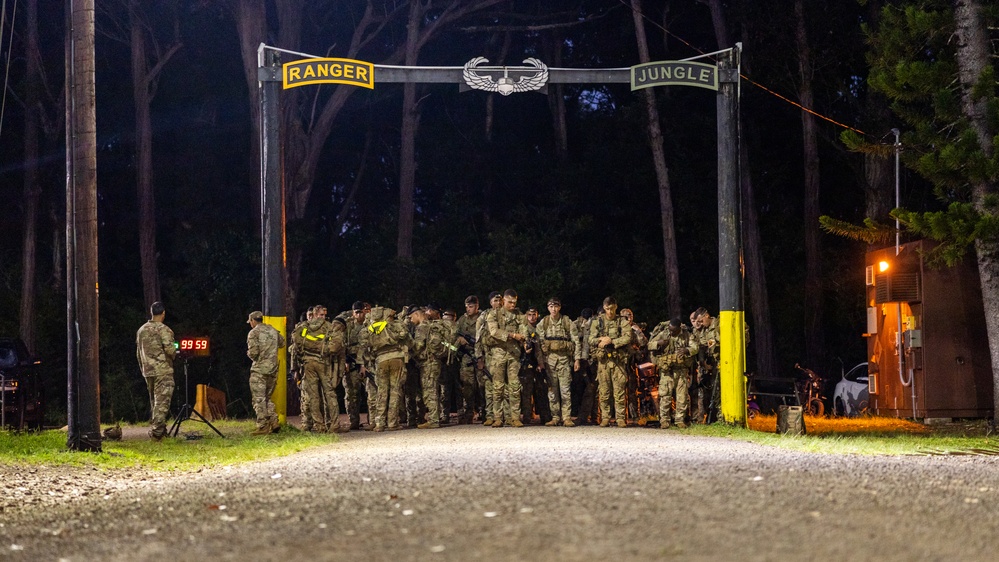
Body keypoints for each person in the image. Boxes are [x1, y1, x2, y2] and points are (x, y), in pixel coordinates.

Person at [292, 305, 346, 433]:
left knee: (313, 396)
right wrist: (323, 349)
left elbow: (296, 343)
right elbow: (336, 346)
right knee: (330, 394)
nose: (323, 317)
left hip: (308, 363)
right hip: (323, 363)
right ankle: (334, 424)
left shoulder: (304, 327)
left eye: (324, 315)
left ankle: (319, 425)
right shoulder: (329, 327)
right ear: (316, 314)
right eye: (322, 314)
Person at [362, 306, 413, 432]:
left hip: (380, 360)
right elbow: (408, 339)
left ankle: (379, 423)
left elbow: (364, 346)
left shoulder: (371, 328)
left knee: (381, 392)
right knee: (395, 391)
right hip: (396, 357)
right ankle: (392, 423)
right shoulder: (394, 324)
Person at [483, 289, 529, 427]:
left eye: (514, 302)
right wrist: (513, 335)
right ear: (503, 300)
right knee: (498, 386)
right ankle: (498, 417)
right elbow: (494, 331)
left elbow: (524, 331)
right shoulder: (494, 314)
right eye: (510, 302)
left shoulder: (519, 315)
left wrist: (525, 341)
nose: (512, 305)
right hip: (498, 354)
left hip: (514, 354)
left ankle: (514, 417)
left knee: (514, 386)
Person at [588, 297, 634, 427]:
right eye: (607, 309)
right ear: (604, 307)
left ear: (616, 307)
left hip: (618, 361)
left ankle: (620, 418)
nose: (610, 312)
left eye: (612, 308)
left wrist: (612, 342)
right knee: (604, 391)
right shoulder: (598, 322)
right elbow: (590, 339)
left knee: (619, 391)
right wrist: (601, 340)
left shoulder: (621, 321)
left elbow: (628, 337)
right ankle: (605, 417)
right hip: (603, 362)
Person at [136, 301, 177, 441]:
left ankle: (160, 429)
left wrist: (143, 368)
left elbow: (138, 352)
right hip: (162, 370)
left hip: (148, 370)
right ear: (163, 313)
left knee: (155, 401)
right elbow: (170, 350)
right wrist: (175, 354)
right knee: (162, 402)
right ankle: (157, 434)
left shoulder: (141, 330)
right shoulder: (164, 330)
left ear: (152, 312)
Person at [648, 317, 698, 429]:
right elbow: (649, 345)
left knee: (682, 396)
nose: (671, 333)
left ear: (679, 328)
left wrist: (686, 350)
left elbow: (695, 347)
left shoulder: (686, 335)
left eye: (674, 331)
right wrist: (659, 343)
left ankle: (679, 420)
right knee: (665, 395)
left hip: (681, 370)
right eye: (670, 330)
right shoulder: (664, 333)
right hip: (667, 370)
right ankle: (664, 420)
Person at [537, 297, 579, 427]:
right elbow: (538, 344)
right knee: (552, 390)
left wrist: (577, 359)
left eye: (556, 306)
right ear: (548, 308)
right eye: (551, 307)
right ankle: (555, 417)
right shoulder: (544, 323)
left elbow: (576, 341)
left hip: (564, 360)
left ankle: (566, 417)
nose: (554, 309)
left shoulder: (567, 322)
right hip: (549, 361)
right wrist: (540, 362)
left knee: (565, 390)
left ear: (559, 307)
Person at [246, 310, 286, 435]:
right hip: (273, 369)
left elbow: (254, 353)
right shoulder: (273, 330)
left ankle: (263, 426)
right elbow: (282, 343)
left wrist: (249, 354)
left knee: (258, 399)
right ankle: (274, 421)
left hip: (259, 370)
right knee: (267, 397)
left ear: (253, 321)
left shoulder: (254, 333)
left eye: (250, 321)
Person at [475, 291, 503, 425]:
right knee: (489, 387)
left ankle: (504, 415)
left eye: (500, 300)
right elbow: (478, 338)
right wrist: (479, 358)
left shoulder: (506, 314)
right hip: (488, 355)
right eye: (495, 301)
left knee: (503, 387)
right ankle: (490, 415)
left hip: (502, 354)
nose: (498, 303)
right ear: (491, 302)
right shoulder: (484, 316)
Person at [519, 306, 550, 424]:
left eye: (534, 315)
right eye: (529, 315)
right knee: (527, 390)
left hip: (539, 362)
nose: (532, 317)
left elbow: (539, 348)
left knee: (541, 389)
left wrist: (541, 363)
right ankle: (527, 416)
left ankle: (544, 416)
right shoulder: (523, 327)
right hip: (527, 362)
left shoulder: (540, 328)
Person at [340, 301, 369, 430]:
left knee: (371, 394)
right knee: (351, 394)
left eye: (361, 312)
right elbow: (343, 344)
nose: (359, 315)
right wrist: (346, 361)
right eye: (356, 312)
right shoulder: (348, 326)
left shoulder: (369, 324)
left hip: (367, 362)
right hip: (352, 363)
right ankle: (354, 421)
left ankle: (373, 420)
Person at [691, 307, 721, 424]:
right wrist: (703, 362)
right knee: (711, 391)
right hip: (711, 365)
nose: (701, 324)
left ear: (706, 316)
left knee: (718, 390)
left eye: (701, 321)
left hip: (722, 362)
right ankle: (711, 417)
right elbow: (701, 347)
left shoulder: (718, 326)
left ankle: (720, 417)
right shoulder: (704, 330)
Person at [454, 296, 482, 424]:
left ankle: (484, 412)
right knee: (467, 386)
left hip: (481, 355)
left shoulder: (482, 318)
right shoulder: (462, 319)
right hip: (467, 356)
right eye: (467, 307)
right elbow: (454, 334)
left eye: (471, 307)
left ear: (477, 306)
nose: (468, 309)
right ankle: (469, 412)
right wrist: (460, 340)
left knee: (483, 385)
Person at [620, 308, 648, 422]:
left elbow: (644, 343)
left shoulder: (635, 328)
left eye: (630, 315)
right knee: (619, 392)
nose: (629, 318)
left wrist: (638, 331)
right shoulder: (618, 328)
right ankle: (621, 417)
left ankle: (635, 416)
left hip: (631, 365)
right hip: (620, 364)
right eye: (626, 316)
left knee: (632, 391)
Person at [573, 308, 597, 424]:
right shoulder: (576, 324)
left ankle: (591, 417)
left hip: (593, 361)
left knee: (591, 389)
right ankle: (589, 416)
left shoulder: (596, 324)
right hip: (583, 362)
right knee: (583, 390)